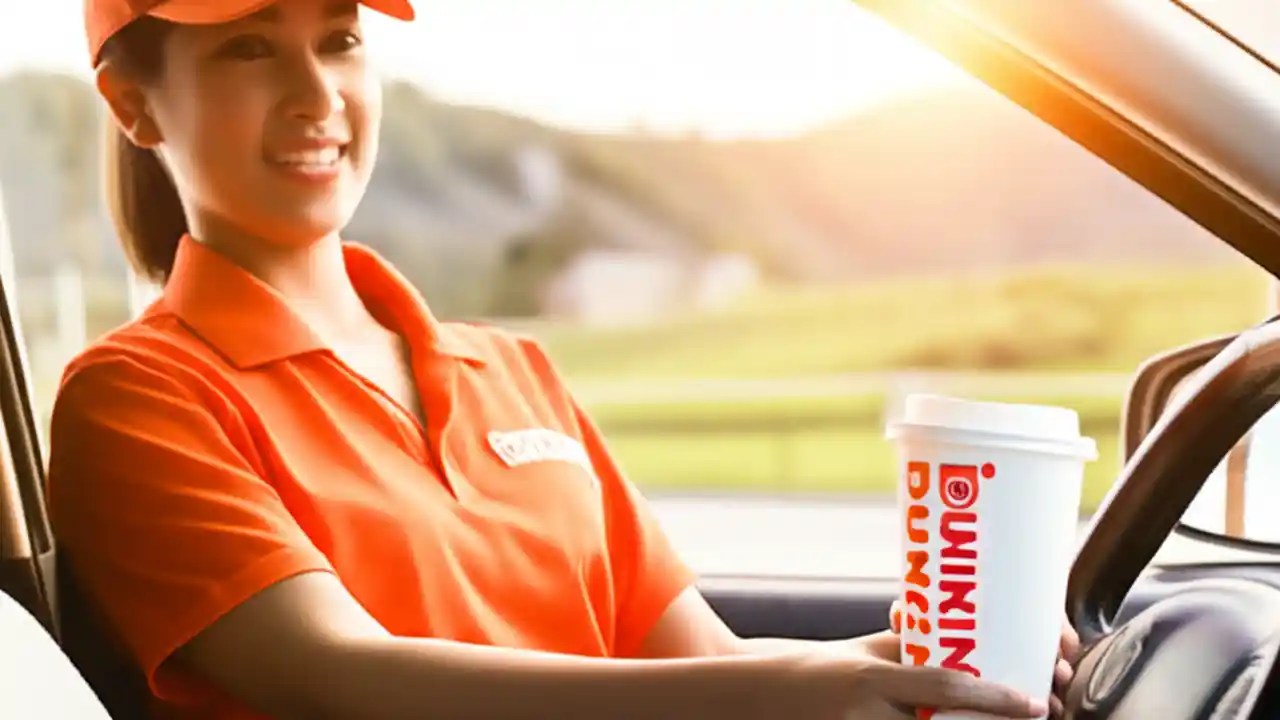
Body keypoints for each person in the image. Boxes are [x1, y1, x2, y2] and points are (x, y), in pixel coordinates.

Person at [47, 1, 1075, 718]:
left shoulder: (514, 370)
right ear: (136, 107)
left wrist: (908, 668)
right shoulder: (139, 399)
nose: (318, 92)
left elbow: (700, 664)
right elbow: (336, 677)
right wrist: (784, 697)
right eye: (249, 50)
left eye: (341, 40)